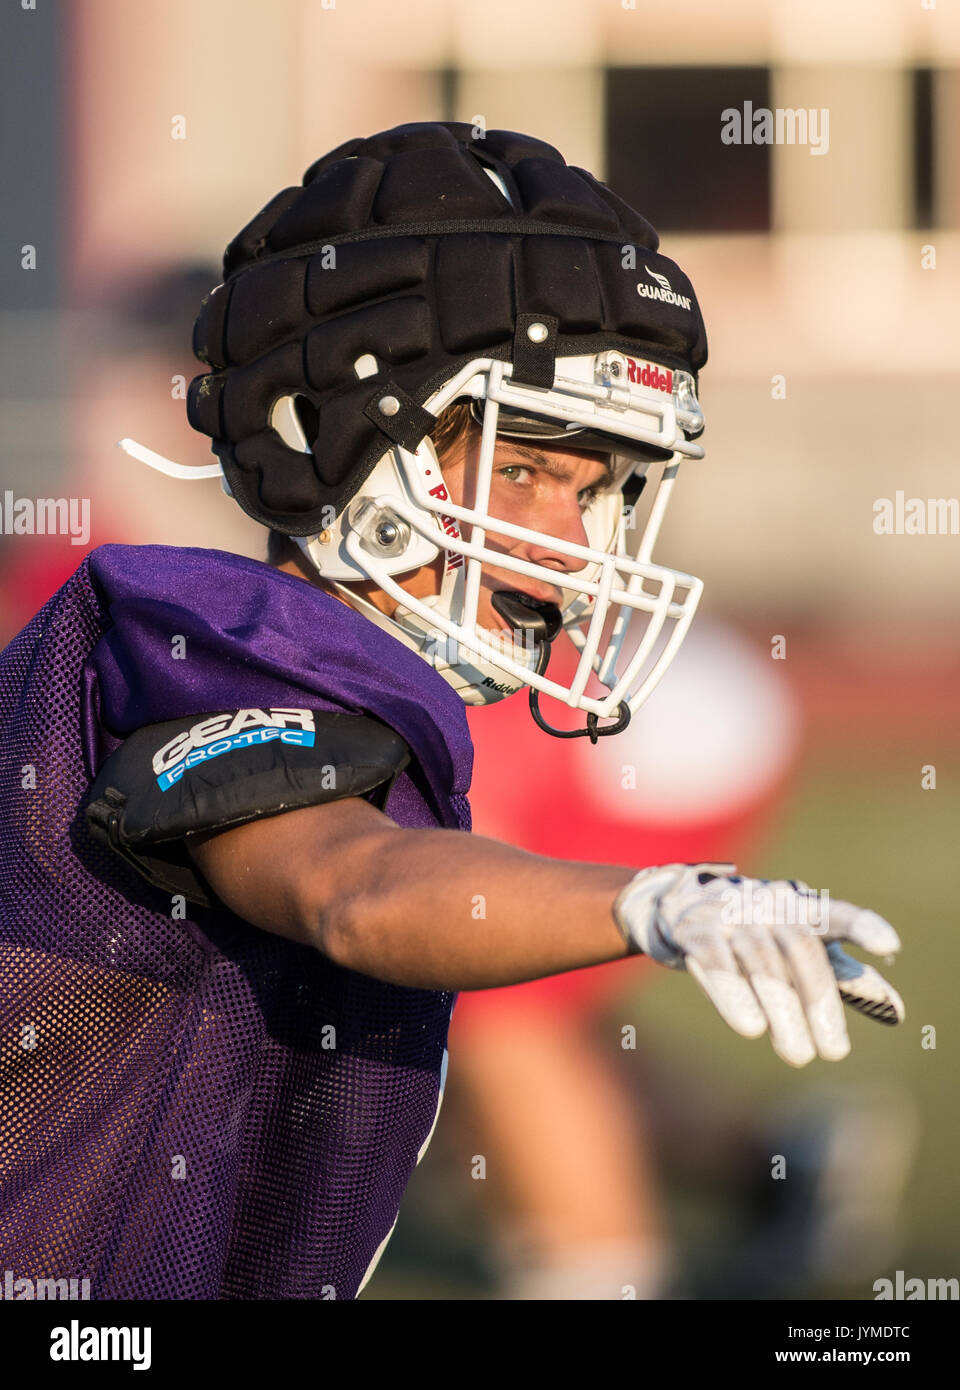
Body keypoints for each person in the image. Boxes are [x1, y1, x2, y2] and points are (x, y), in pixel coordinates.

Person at [0, 121, 904, 1302]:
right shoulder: (207, 641)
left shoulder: (344, 681)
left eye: (594, 489)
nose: (570, 547)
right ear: (333, 450)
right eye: (521, 470)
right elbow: (357, 891)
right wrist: (650, 904)